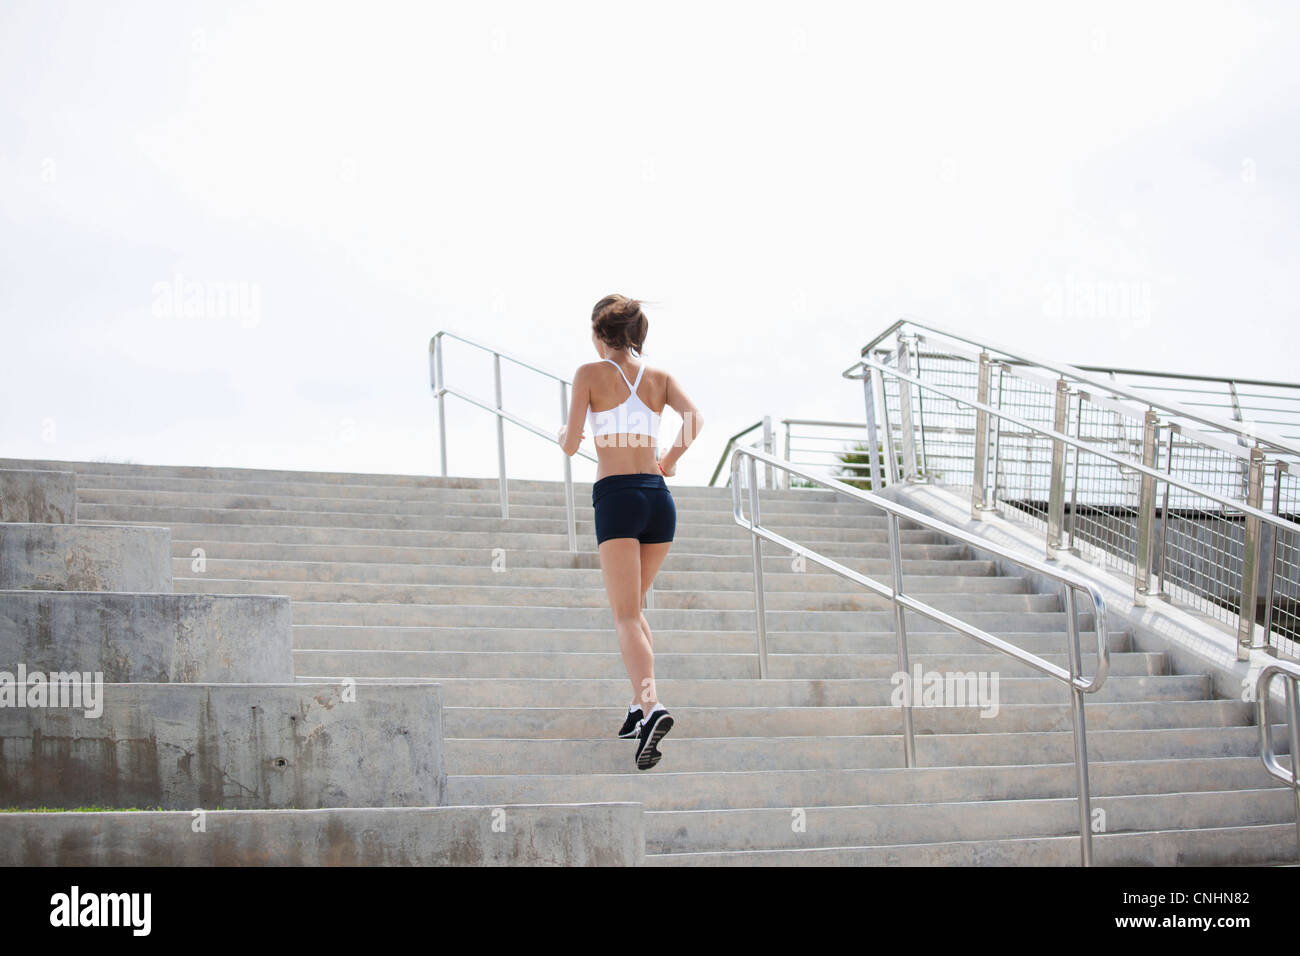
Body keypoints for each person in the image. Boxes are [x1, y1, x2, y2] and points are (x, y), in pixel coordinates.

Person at [558, 294, 704, 770]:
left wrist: (565, 432)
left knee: (623, 615)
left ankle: (651, 707)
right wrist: (670, 462)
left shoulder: (588, 374)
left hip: (618, 498)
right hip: (658, 498)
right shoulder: (659, 377)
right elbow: (694, 419)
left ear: (600, 334)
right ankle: (639, 704)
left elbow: (570, 444)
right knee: (635, 609)